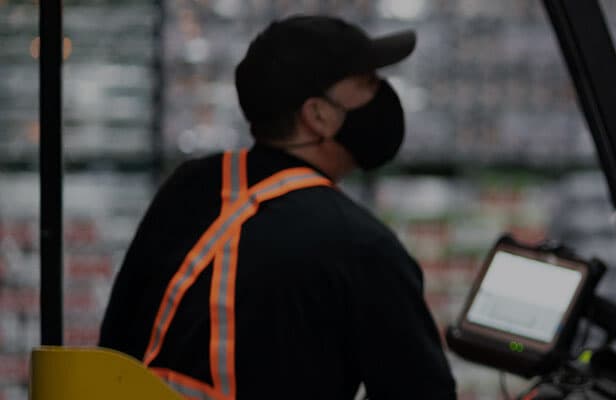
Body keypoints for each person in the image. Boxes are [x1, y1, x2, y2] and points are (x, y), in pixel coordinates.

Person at [98, 16, 456, 399]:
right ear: (318, 115)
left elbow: (116, 343)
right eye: (368, 84)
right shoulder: (360, 246)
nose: (383, 95)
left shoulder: (190, 188)